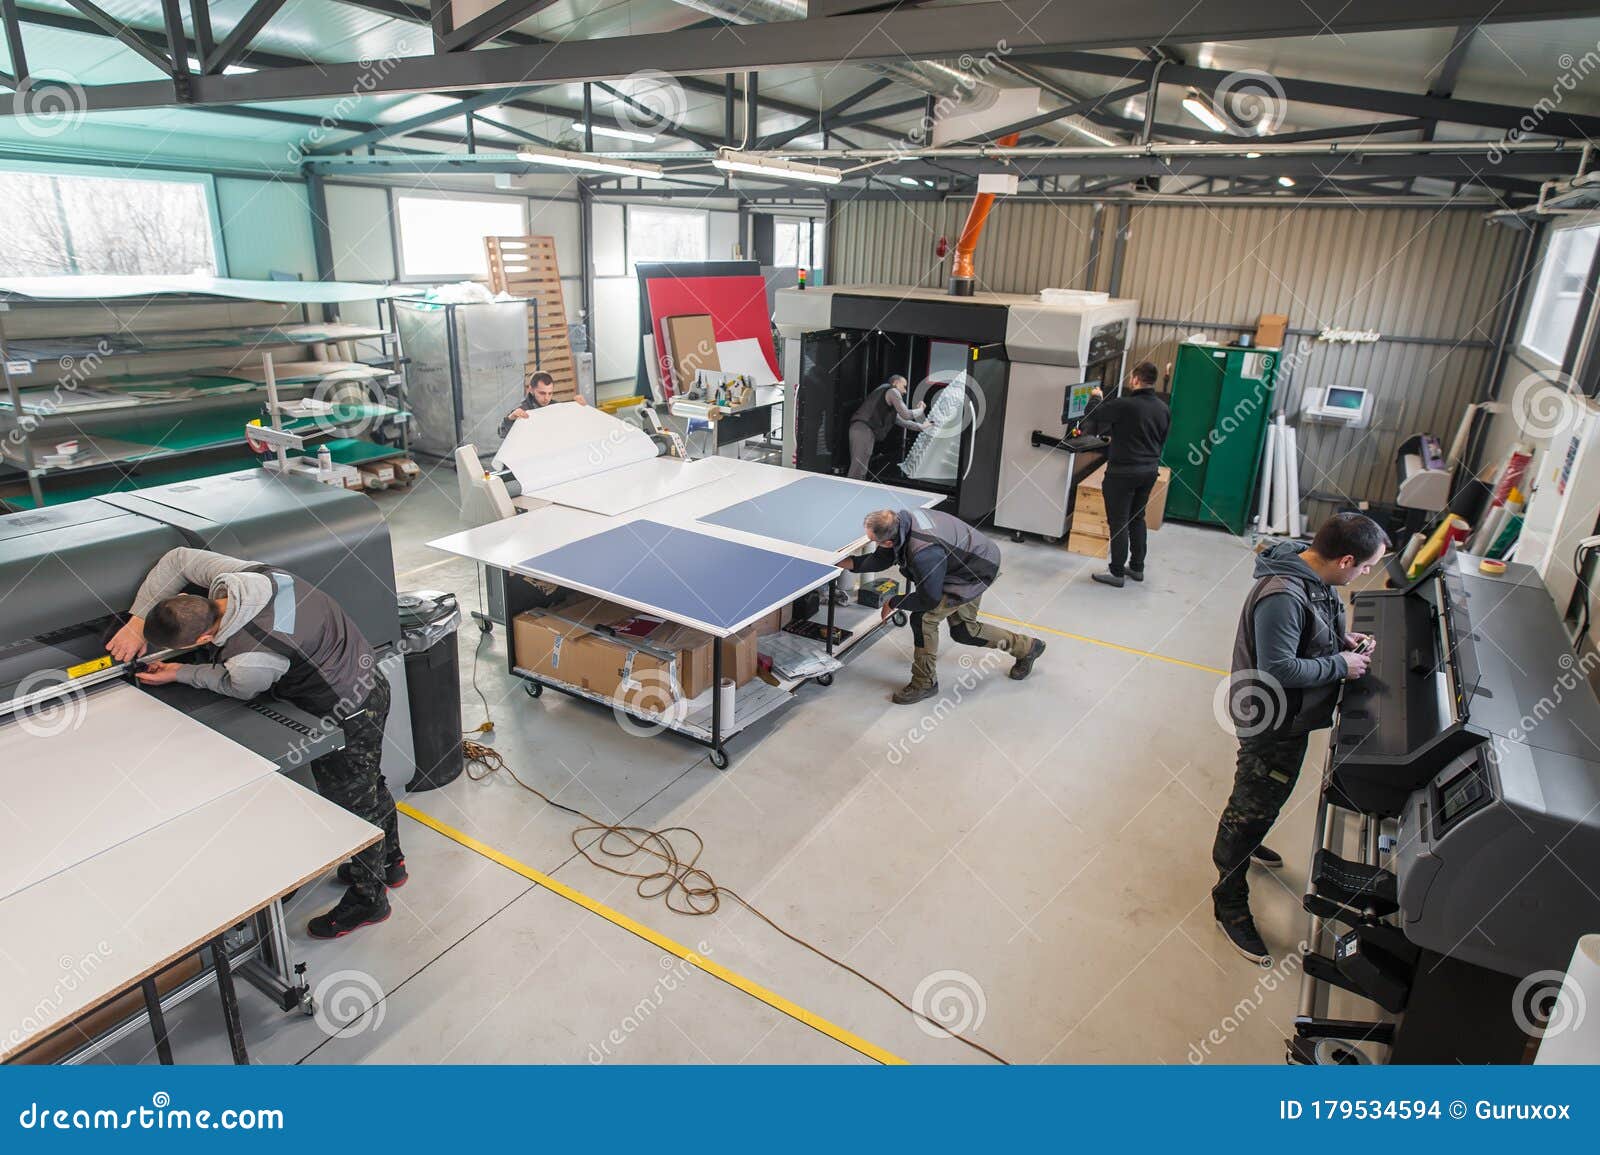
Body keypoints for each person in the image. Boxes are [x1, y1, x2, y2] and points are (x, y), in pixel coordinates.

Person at [106, 548, 406, 939]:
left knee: (353, 804)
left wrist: (180, 670)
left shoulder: (251, 658)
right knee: (368, 784)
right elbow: (179, 558)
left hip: (346, 711)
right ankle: (391, 862)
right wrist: (137, 620)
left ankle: (370, 900)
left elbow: (235, 685)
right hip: (368, 678)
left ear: (202, 637)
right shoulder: (249, 577)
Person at [1210, 513, 1388, 965]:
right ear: (1345, 559)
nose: (1365, 574)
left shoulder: (1314, 575)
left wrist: (1339, 641)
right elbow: (1279, 668)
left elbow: (1307, 633)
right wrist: (1340, 666)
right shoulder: (1283, 594)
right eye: (1365, 567)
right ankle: (1228, 897)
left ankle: (1246, 840)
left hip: (1290, 716)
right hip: (1272, 720)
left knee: (1268, 794)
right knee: (1251, 804)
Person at [840, 508, 1046, 704]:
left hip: (974, 571)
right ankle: (1027, 647)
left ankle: (924, 683)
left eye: (873, 540)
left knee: (923, 619)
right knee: (964, 631)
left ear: (887, 541)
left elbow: (928, 599)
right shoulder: (902, 523)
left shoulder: (924, 554)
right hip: (970, 557)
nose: (870, 542)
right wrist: (846, 564)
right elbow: (881, 559)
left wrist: (894, 601)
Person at [1082, 360, 1171, 588]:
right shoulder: (1163, 408)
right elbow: (1158, 438)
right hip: (1149, 471)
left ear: (1135, 379)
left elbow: (1092, 413)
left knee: (1118, 522)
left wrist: (1095, 395)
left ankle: (1116, 572)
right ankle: (1137, 567)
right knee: (1136, 518)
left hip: (1122, 474)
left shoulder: (1126, 405)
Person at [847, 375, 932, 480]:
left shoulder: (885, 400)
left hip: (863, 431)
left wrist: (922, 427)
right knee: (857, 469)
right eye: (904, 386)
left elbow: (902, 421)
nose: (905, 391)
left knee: (861, 469)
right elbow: (906, 414)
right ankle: (850, 493)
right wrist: (920, 410)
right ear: (895, 383)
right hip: (863, 430)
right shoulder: (893, 391)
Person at [499, 370, 585, 437]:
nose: (547, 398)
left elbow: (572, 428)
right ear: (531, 390)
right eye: (542, 393)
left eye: (550, 393)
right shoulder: (522, 410)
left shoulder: (555, 406)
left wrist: (581, 409)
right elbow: (501, 433)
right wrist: (510, 419)